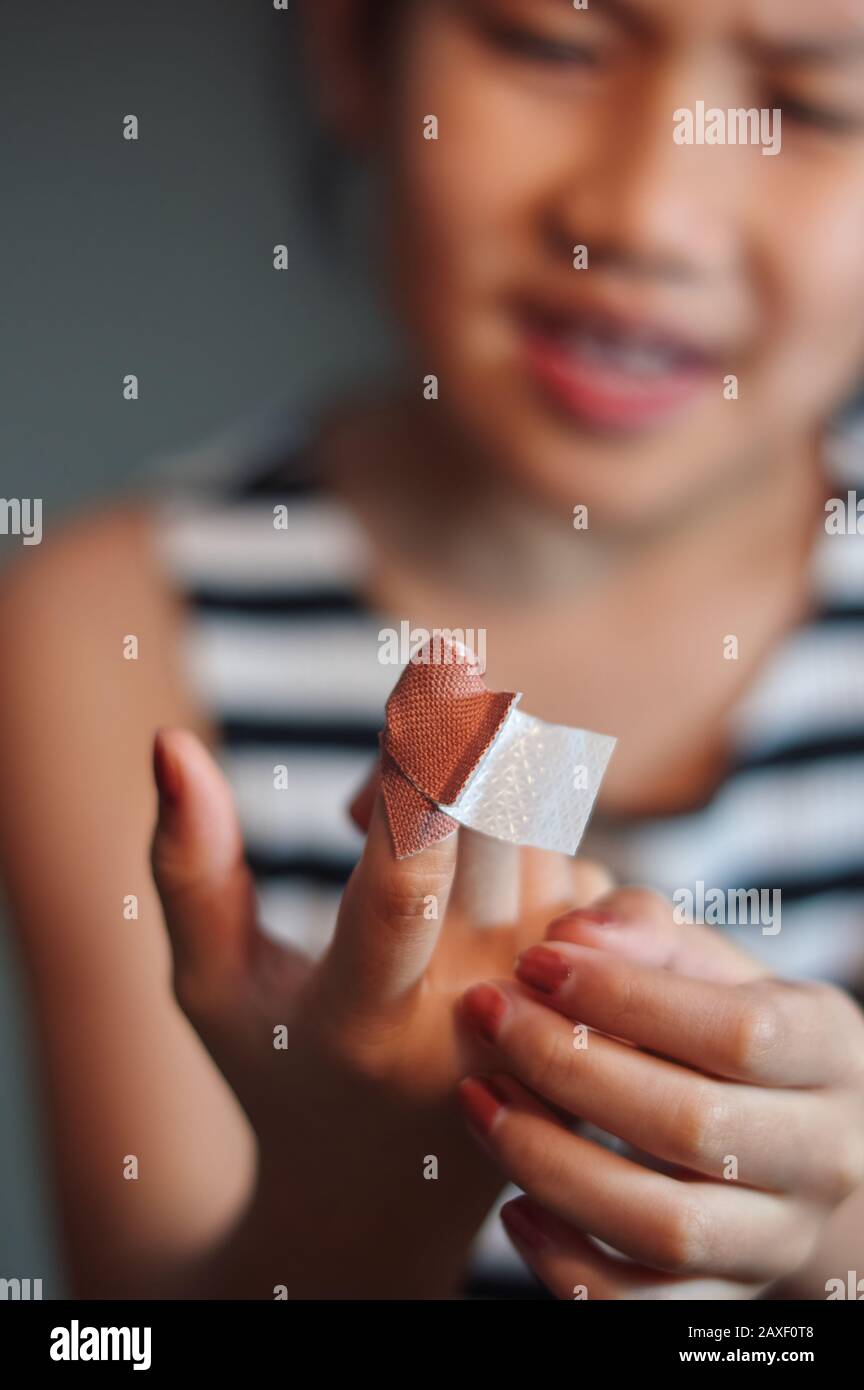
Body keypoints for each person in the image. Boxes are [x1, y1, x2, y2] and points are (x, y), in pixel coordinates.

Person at [1, 0, 863, 1300]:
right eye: (551, 45)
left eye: (808, 101)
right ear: (353, 46)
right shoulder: (99, 631)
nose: (645, 211)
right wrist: (356, 1197)